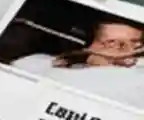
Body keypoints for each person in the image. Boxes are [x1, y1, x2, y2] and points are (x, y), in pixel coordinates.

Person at [11, 20, 144, 108]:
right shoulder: (41, 63)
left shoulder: (37, 63)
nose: (137, 51)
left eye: (138, 46)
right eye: (135, 44)